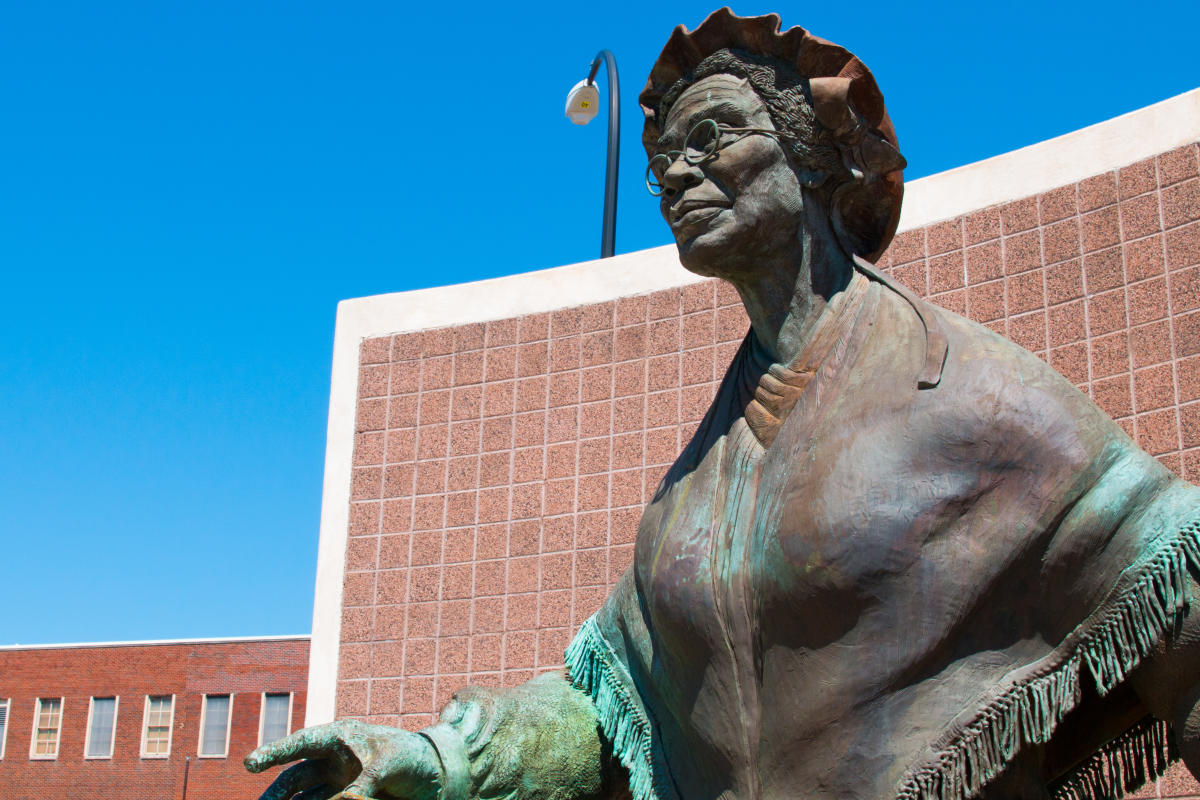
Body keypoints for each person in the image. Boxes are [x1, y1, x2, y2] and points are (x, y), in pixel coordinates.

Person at [246, 10, 1200, 800]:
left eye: (712, 138)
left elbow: (1174, 574)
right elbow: (612, 706)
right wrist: (441, 760)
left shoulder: (967, 389)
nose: (676, 176)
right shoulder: (690, 492)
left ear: (812, 158)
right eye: (662, 159)